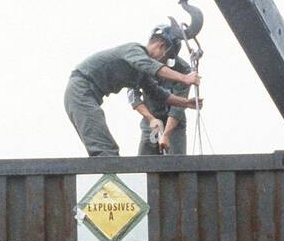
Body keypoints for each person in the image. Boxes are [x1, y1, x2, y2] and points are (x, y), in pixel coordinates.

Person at [65, 25, 202, 157]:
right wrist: (184, 78)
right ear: (161, 46)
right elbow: (150, 66)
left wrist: (185, 103)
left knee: (106, 150)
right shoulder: (134, 50)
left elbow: (157, 93)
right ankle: (110, 179)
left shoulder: (140, 73)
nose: (164, 61)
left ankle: (110, 177)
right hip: (81, 90)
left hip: (87, 94)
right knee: (105, 150)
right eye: (166, 57)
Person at [129, 24, 194, 155]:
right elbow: (133, 97)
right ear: (161, 46)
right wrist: (151, 119)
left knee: (177, 165)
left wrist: (166, 134)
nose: (165, 58)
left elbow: (178, 107)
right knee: (145, 163)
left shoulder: (183, 69)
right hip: (150, 120)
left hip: (174, 124)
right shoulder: (138, 62)